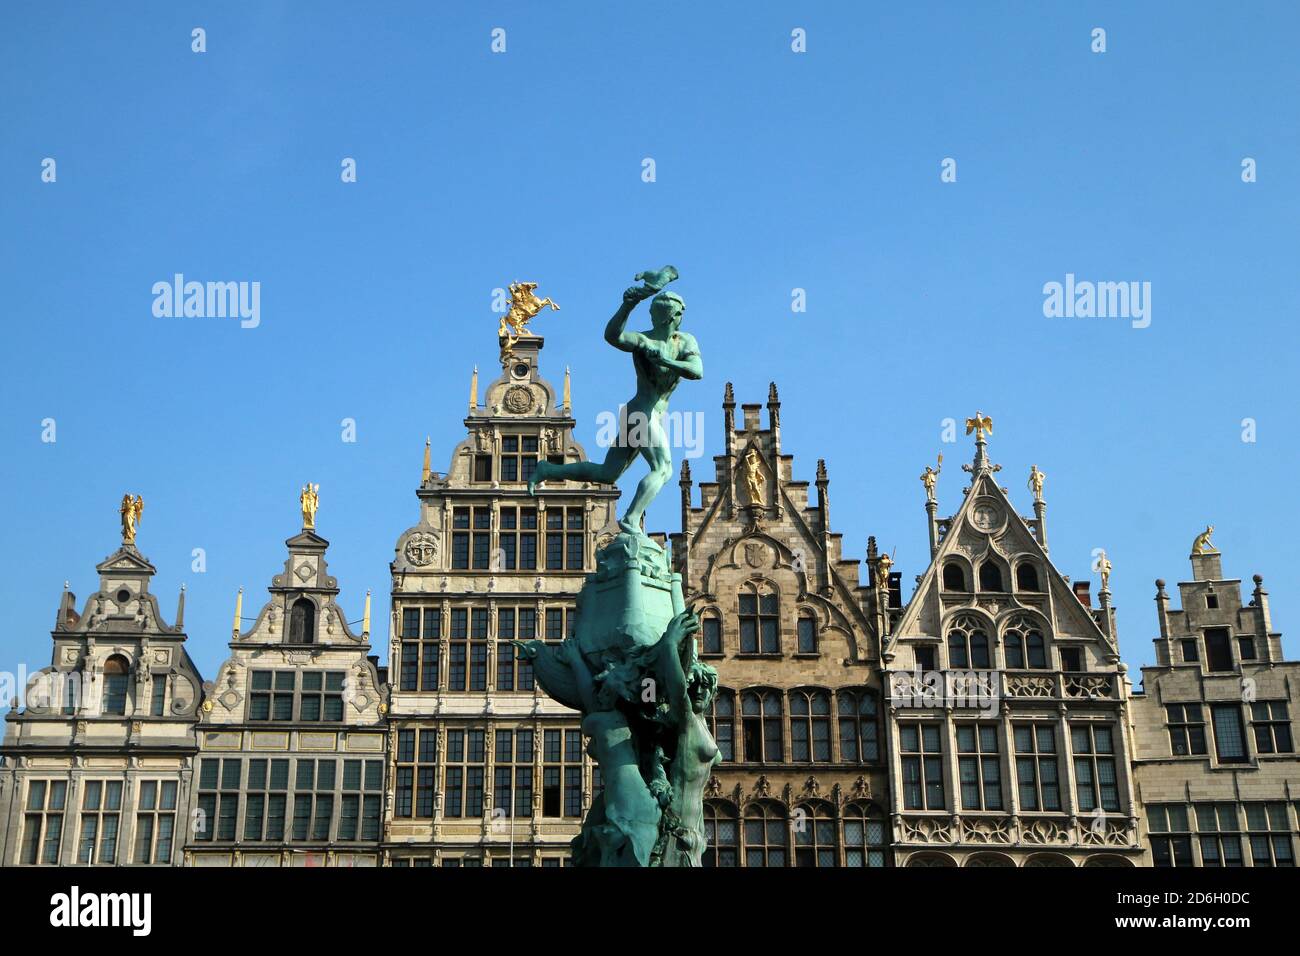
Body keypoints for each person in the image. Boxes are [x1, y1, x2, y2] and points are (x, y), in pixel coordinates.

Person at [528, 285, 702, 533]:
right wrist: (627, 306)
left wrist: (664, 361)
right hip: (642, 413)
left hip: (638, 414)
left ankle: (548, 469)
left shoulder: (684, 342)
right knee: (663, 469)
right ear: (675, 317)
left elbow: (697, 371)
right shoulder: (643, 340)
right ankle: (632, 519)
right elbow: (613, 336)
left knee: (607, 474)